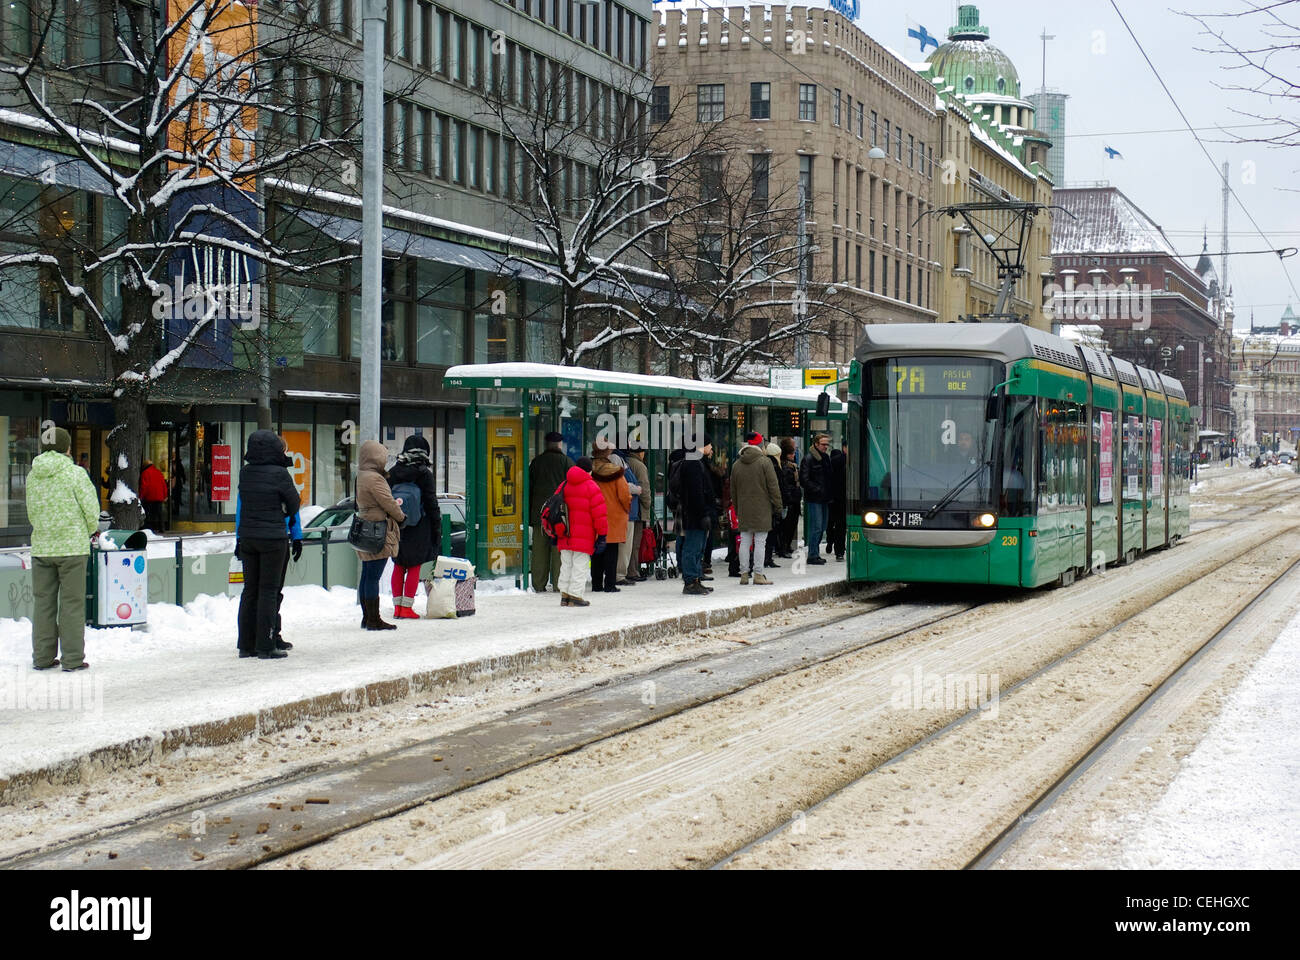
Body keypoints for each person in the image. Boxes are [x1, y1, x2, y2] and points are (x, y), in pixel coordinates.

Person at [26, 427, 101, 672]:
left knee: (43, 604)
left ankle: (42, 658)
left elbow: (31, 513)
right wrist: (90, 530)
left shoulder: (32, 476)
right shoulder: (75, 474)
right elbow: (91, 510)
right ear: (66, 448)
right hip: (71, 549)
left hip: (42, 548)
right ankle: (72, 659)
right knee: (71, 604)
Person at [234, 430, 301, 659]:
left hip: (248, 538)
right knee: (269, 592)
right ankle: (266, 645)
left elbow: (242, 505)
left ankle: (246, 645)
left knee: (250, 591)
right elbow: (294, 503)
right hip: (273, 539)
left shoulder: (245, 473)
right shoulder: (280, 474)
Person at [388, 435, 442, 619]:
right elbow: (431, 502)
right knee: (414, 566)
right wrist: (437, 526)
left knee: (398, 565)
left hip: (398, 525)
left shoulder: (394, 471)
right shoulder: (424, 473)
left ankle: (397, 607)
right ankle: (407, 608)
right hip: (420, 525)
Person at [355, 439, 405, 630]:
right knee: (374, 575)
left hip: (365, 527)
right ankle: (374, 620)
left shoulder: (361, 475)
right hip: (378, 530)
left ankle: (366, 617)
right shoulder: (375, 478)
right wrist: (401, 518)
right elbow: (388, 502)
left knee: (367, 574)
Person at [731, 432, 783, 585]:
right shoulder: (765, 462)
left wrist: (738, 507)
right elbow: (773, 487)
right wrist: (778, 507)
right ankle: (758, 574)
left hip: (744, 508)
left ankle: (744, 574)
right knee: (760, 542)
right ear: (761, 445)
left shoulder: (736, 464)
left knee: (745, 541)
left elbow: (733, 491)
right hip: (762, 508)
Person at [556, 457, 608, 607]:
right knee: (580, 565)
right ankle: (575, 596)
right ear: (589, 470)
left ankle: (564, 596)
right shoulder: (591, 486)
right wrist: (602, 534)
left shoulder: (563, 484)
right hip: (584, 536)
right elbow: (600, 514)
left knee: (566, 564)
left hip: (565, 532)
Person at [528, 431, 572, 593]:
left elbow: (529, 488)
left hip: (540, 514)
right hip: (559, 516)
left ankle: (538, 585)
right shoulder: (567, 462)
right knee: (558, 551)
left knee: (539, 551)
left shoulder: (536, 463)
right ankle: (558, 584)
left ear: (546, 444)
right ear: (560, 444)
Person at [679, 435, 719, 595]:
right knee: (693, 547)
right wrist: (703, 513)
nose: (711, 448)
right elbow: (696, 492)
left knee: (698, 547)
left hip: (697, 513)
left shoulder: (697, 462)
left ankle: (695, 579)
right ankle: (690, 581)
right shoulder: (693, 464)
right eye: (709, 444)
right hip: (695, 514)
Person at [590, 441, 631, 593]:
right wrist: (626, 509)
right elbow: (624, 495)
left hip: (594, 516)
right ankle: (610, 584)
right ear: (608, 453)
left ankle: (596, 584)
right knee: (612, 551)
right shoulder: (616, 472)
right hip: (614, 517)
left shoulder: (589, 470)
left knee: (596, 551)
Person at [622, 445, 652, 584]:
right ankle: (632, 571)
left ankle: (628, 569)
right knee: (635, 542)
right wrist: (648, 505)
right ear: (640, 453)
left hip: (626, 507)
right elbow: (644, 487)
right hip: (637, 509)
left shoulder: (625, 461)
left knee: (628, 542)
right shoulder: (640, 466)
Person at [800, 433, 831, 565]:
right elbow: (804, 480)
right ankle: (813, 554)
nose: (826, 447)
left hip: (824, 498)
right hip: (815, 498)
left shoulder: (825, 458)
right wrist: (818, 489)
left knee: (822, 526)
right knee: (816, 527)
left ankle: (815, 553)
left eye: (827, 444)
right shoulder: (809, 459)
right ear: (816, 444)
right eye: (823, 444)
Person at [777, 438, 801, 558]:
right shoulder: (787, 467)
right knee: (787, 525)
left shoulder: (792, 466)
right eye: (792, 453)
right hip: (790, 499)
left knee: (791, 524)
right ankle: (783, 547)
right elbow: (787, 485)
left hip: (794, 499)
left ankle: (786, 546)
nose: (794, 455)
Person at [763, 442, 784, 568]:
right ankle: (767, 558)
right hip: (772, 504)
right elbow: (776, 488)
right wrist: (779, 505)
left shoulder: (767, 464)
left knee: (770, 533)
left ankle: (767, 557)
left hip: (769, 503)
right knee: (772, 532)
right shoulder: (774, 467)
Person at [827, 440, 848, 562]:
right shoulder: (837, 461)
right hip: (839, 498)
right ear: (844, 448)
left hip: (840, 498)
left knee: (839, 525)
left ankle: (839, 549)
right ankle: (839, 550)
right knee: (840, 525)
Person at [139, 458, 168, 531]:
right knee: (159, 513)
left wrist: (141, 496)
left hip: (149, 496)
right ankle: (162, 528)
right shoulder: (158, 472)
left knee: (147, 513)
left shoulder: (145, 473)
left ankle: (148, 528)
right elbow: (164, 485)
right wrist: (165, 495)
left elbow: (144, 486)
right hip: (159, 496)